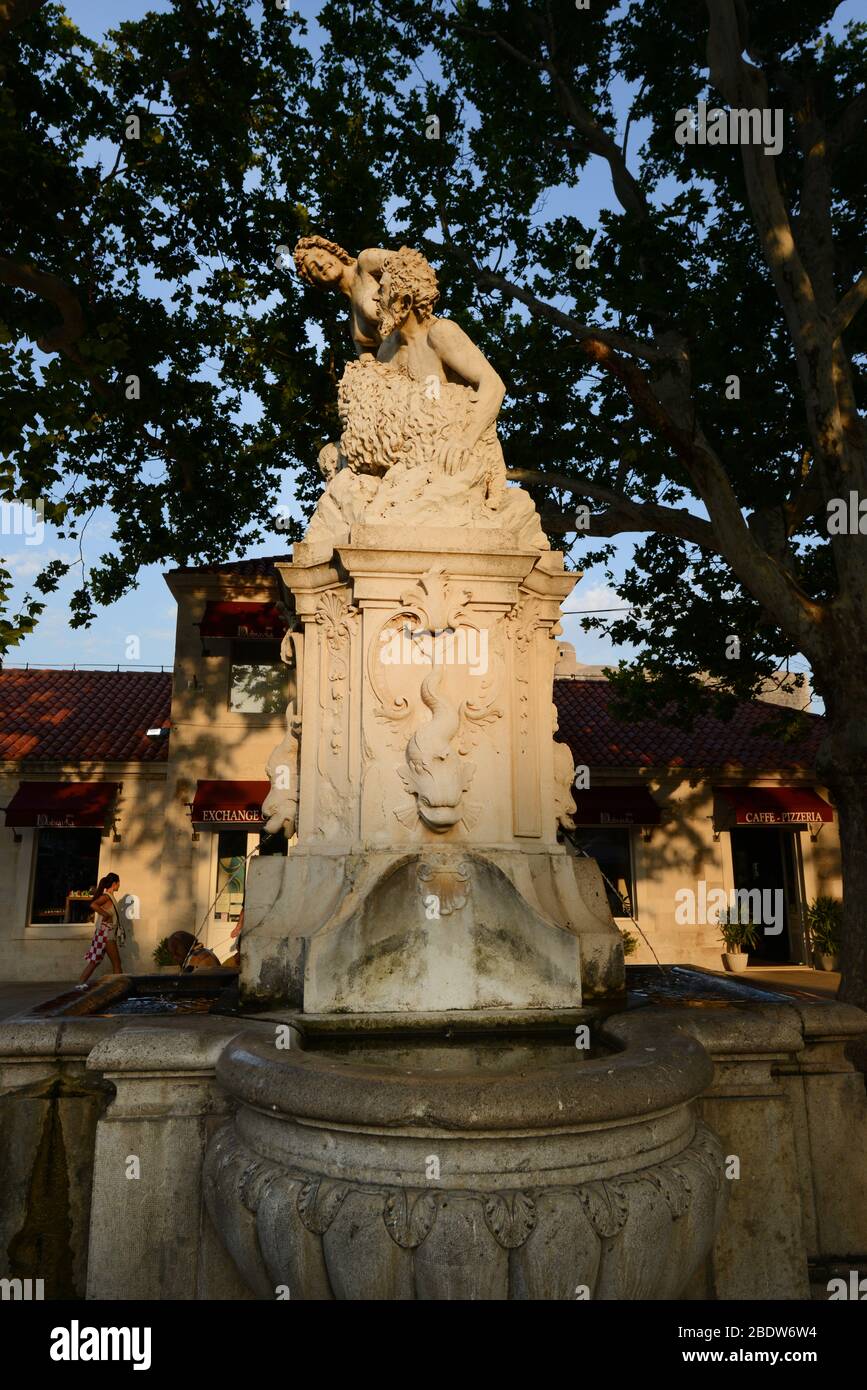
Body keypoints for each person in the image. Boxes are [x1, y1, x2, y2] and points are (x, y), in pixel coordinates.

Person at [293, 236, 394, 358]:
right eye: (313, 268)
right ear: (315, 281)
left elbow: (410, 263)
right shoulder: (353, 323)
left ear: (334, 252)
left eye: (321, 255)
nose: (320, 264)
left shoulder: (365, 261)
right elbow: (368, 364)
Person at [77, 873, 124, 987]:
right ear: (114, 883)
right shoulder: (107, 896)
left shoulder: (109, 897)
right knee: (116, 963)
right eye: (118, 882)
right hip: (107, 934)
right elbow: (93, 905)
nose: (119, 885)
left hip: (104, 933)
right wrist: (105, 914)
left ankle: (80, 984)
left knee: (95, 961)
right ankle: (120, 987)